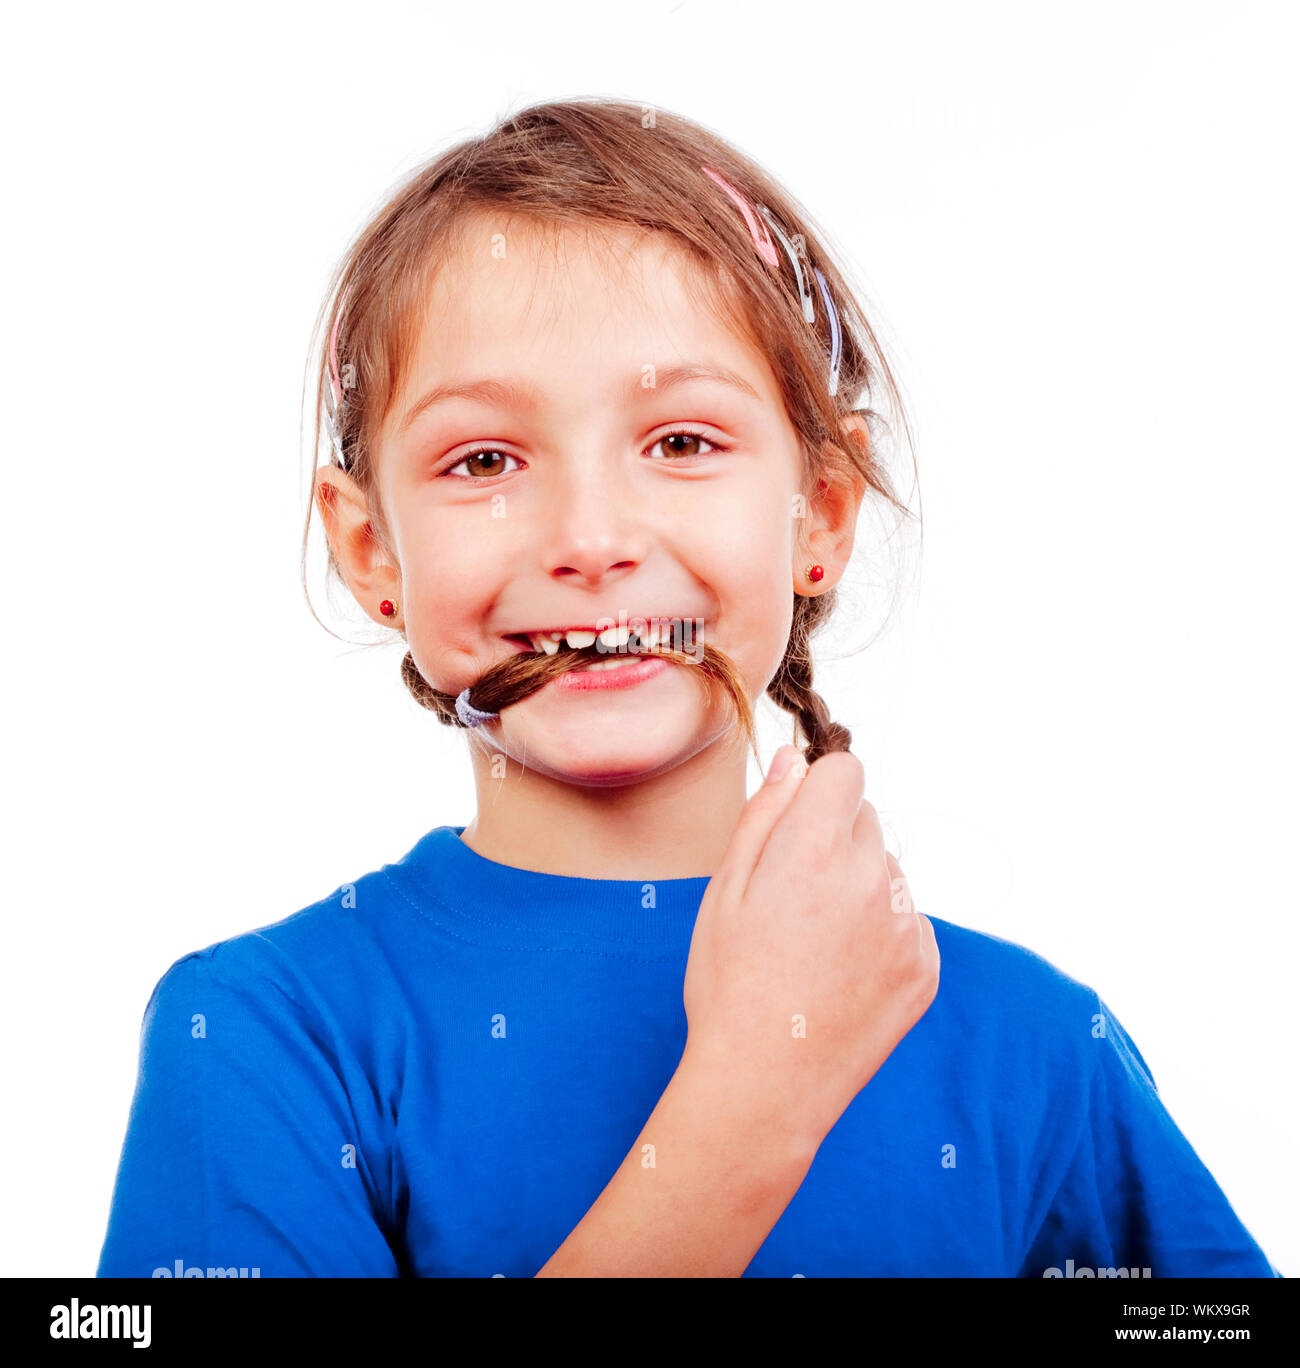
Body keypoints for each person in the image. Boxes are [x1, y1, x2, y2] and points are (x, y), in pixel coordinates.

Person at [95, 97, 1280, 1278]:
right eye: (486, 461)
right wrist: (753, 1093)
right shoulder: (256, 1035)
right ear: (372, 554)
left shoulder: (1031, 1042)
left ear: (819, 513)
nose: (593, 535)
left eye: (679, 443)